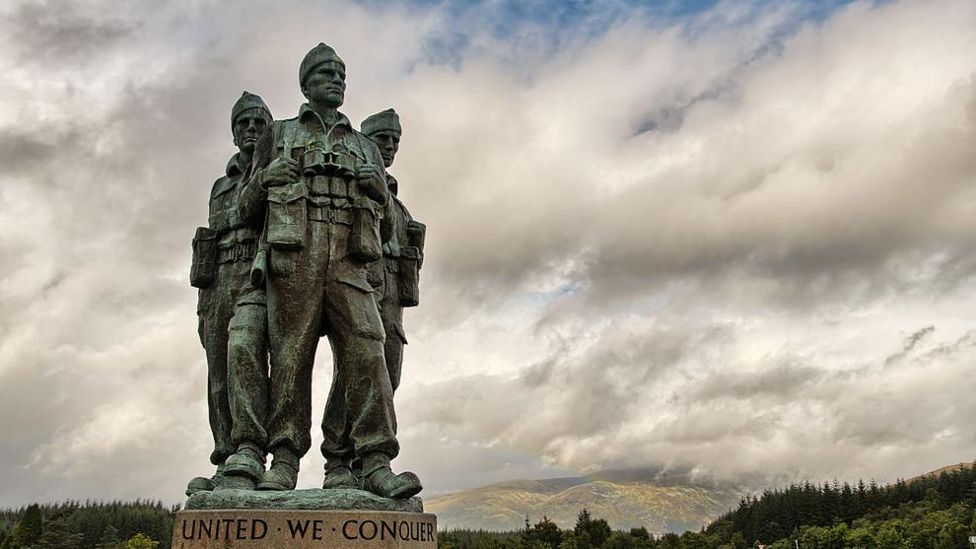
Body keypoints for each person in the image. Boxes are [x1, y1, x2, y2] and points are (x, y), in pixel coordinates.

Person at [234, 43, 421, 499]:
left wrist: (379, 191)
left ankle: (374, 458)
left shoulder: (363, 146)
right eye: (325, 73)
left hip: (349, 259)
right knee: (290, 358)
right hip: (294, 255)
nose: (336, 80)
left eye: (341, 74)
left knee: (368, 350)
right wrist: (264, 179)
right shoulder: (276, 134)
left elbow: (393, 226)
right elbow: (245, 209)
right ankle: (284, 460)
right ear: (306, 83)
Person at [187, 92, 272, 496]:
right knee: (218, 377)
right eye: (244, 124)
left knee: (245, 357)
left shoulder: (276, 170)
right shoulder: (220, 185)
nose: (252, 130)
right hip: (218, 279)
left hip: (256, 278)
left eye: (259, 123)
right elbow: (216, 227)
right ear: (234, 132)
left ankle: (251, 451)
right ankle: (225, 460)